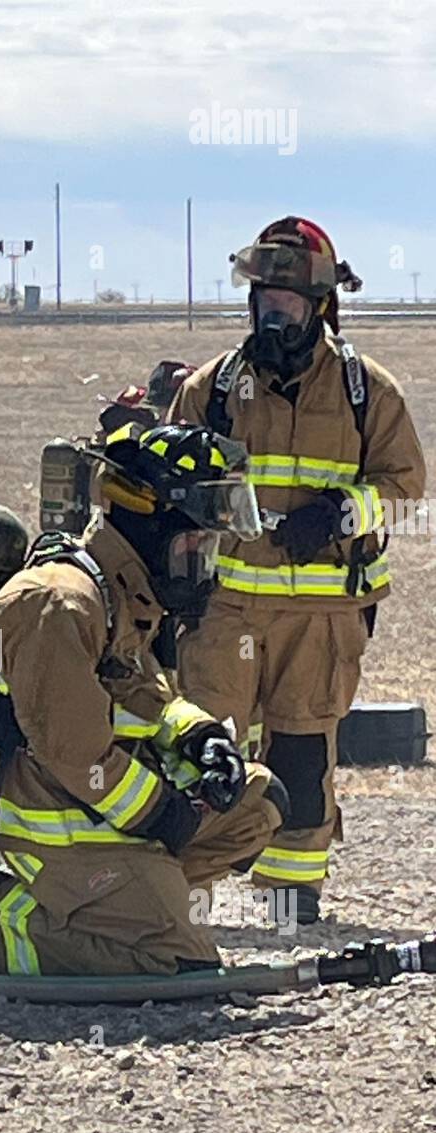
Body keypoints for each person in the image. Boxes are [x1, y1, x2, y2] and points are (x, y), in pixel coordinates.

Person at [0, 423, 289, 976]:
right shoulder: (59, 605)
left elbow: (144, 695)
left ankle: (129, 901)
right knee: (180, 964)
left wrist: (198, 734)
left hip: (107, 816)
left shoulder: (121, 589)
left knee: (260, 802)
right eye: (195, 546)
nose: (204, 565)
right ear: (151, 529)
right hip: (60, 828)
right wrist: (165, 813)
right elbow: (78, 755)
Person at [167, 217, 426, 923]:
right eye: (261, 297)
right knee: (203, 747)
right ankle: (184, 895)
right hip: (223, 611)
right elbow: (169, 492)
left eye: (284, 299)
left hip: (321, 616)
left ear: (318, 306)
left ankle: (290, 896)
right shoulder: (211, 388)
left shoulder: (363, 390)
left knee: (302, 751)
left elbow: (406, 488)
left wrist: (341, 513)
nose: (269, 309)